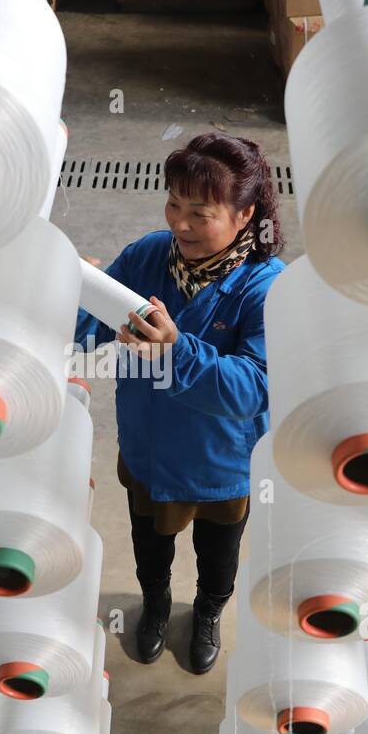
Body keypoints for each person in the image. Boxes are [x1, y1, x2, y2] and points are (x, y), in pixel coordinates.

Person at [72, 132, 285, 674]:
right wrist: (64, 288)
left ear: (244, 215)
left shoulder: (263, 288)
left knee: (218, 558)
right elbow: (90, 329)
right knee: (151, 547)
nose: (180, 224)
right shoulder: (148, 257)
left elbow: (253, 387)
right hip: (149, 451)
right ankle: (157, 606)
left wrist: (176, 348)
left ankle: (208, 612)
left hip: (222, 465)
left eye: (200, 212)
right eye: (173, 204)